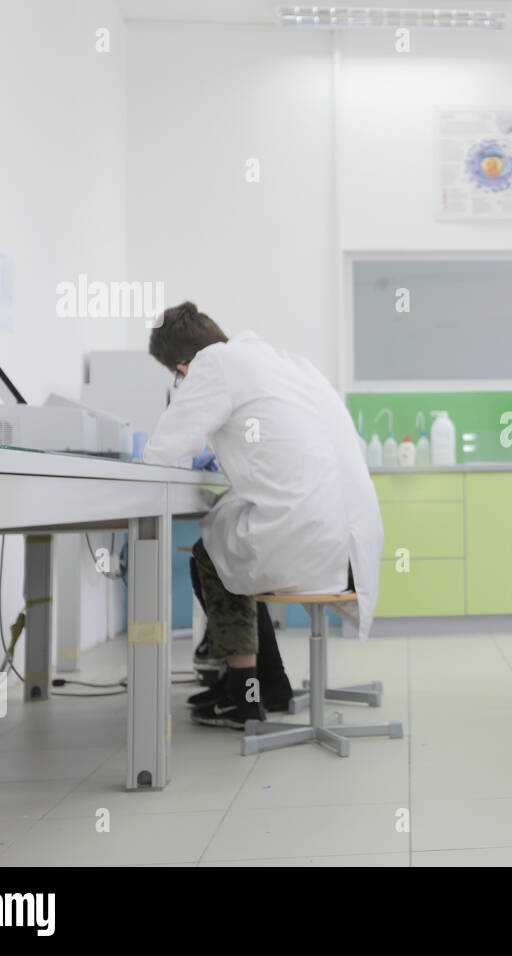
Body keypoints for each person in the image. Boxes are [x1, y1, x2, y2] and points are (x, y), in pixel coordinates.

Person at [142, 301, 383, 729]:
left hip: (304, 537)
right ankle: (268, 683)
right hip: (349, 542)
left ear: (183, 365)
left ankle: (244, 694)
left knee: (209, 555)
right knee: (225, 546)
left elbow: (161, 450)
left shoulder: (213, 365)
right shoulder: (287, 362)